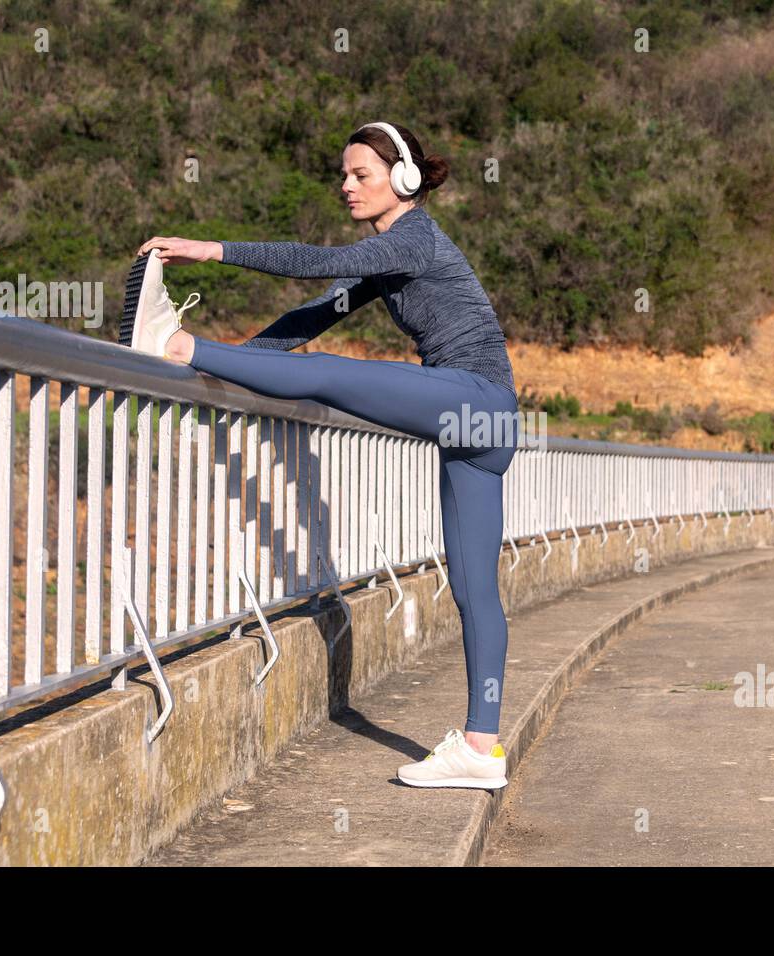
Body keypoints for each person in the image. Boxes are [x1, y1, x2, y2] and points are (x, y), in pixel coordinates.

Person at [132, 122, 517, 790]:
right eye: (342, 175)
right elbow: (312, 314)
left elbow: (312, 260)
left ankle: (175, 343)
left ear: (402, 180)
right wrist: (238, 365)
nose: (346, 186)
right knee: (474, 589)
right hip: (484, 425)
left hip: (476, 401)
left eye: (359, 175)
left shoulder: (414, 236)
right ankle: (481, 749)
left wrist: (210, 252)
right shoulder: (391, 260)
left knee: (331, 374)